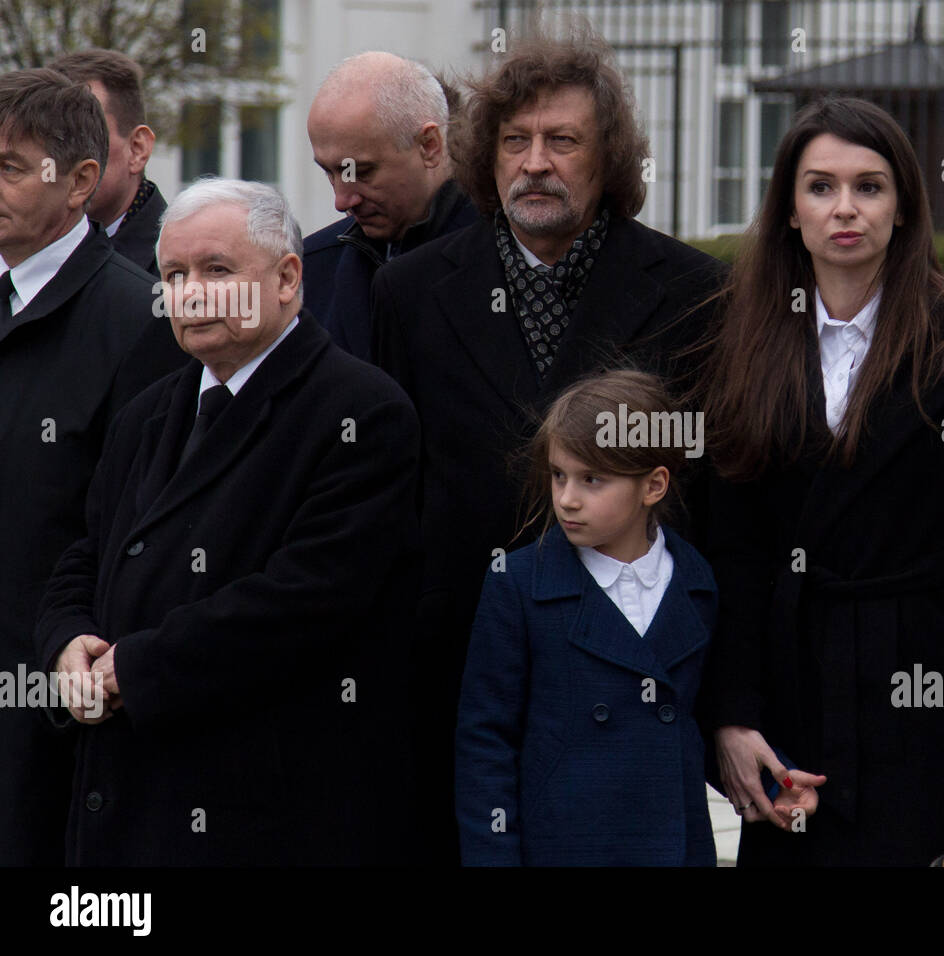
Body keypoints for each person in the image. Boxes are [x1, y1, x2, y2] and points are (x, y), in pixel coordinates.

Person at [371, 28, 724, 861]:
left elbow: (708, 488)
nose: (535, 162)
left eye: (563, 140)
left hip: (620, 674)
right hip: (455, 666)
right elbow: (391, 489)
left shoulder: (691, 292)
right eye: (514, 141)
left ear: (610, 161)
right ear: (484, 159)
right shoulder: (411, 290)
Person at [33, 178, 421, 865]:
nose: (190, 292)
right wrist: (68, 644)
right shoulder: (148, 413)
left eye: (217, 270)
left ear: (288, 277)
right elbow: (87, 552)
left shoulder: (360, 412)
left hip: (259, 812)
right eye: (175, 274)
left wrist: (135, 668)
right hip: (123, 804)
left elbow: (305, 600)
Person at [697, 97, 944, 865]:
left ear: (903, 204)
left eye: (870, 186)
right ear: (789, 208)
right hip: (789, 684)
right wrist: (731, 715)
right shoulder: (742, 340)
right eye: (820, 187)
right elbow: (733, 548)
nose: (844, 208)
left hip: (924, 682)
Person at [455, 370, 826, 864]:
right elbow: (485, 745)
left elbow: (694, 721)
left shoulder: (697, 583)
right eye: (558, 474)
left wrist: (772, 780)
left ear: (653, 485)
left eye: (592, 479)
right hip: (563, 848)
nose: (566, 498)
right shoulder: (518, 584)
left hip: (675, 846)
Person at [0, 67, 182, 866]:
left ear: (80, 183)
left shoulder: (140, 323)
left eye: (8, 166)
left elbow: (134, 536)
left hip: (51, 719)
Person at [303, 52, 477, 361]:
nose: (341, 201)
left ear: (429, 146)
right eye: (329, 172)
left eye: (362, 172)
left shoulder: (509, 260)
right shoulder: (308, 271)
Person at [49, 49, 166, 274]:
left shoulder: (177, 269)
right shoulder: (17, 254)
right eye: (49, 137)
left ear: (137, 149)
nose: (57, 156)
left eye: (83, 134)